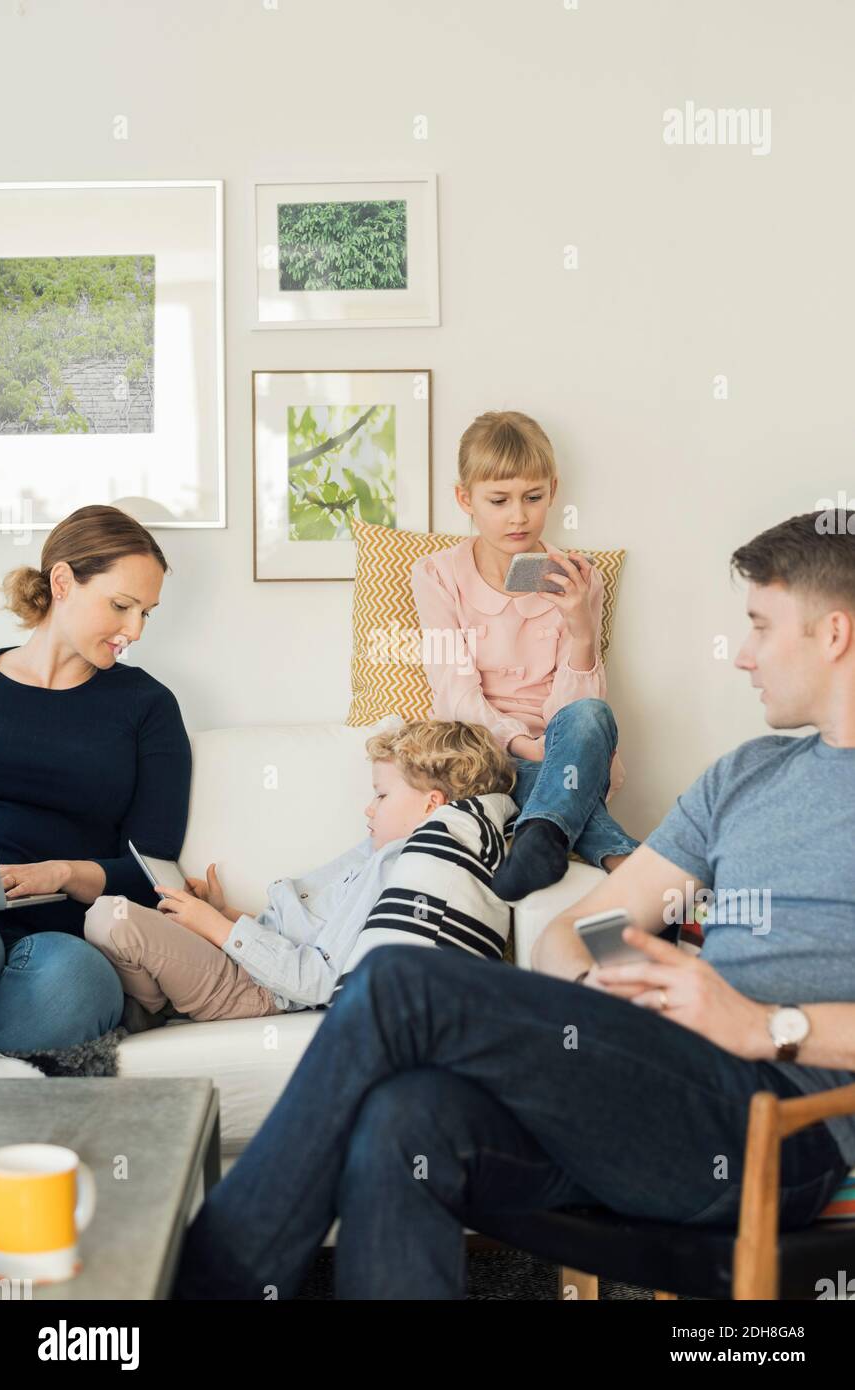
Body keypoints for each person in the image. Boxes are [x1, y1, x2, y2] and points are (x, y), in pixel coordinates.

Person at [171, 509, 855, 1301]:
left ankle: (204, 1290)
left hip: (780, 1128)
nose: (740, 655)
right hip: (654, 1087)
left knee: (399, 982)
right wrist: (624, 978)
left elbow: (758, 1027)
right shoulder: (746, 776)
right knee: (405, 1118)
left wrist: (764, 1025)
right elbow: (579, 927)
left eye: (760, 627)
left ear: (833, 633)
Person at [83, 720, 515, 1023]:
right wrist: (225, 914)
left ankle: (155, 1011)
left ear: (431, 805)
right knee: (124, 918)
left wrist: (215, 927)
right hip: (248, 959)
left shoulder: (399, 868)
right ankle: (153, 1005)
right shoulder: (376, 853)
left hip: (259, 987)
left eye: (381, 795)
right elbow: (303, 937)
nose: (369, 808)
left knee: (109, 918)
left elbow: (316, 980)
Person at [409, 409, 639, 901]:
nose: (518, 516)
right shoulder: (436, 575)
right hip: (480, 746)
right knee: (548, 771)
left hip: (564, 745)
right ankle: (627, 865)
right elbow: (453, 692)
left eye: (533, 498)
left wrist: (580, 626)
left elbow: (579, 712)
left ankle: (542, 837)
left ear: (552, 491)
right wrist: (521, 745)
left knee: (592, 715)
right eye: (499, 500)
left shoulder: (580, 578)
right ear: (465, 498)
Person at [0, 505, 192, 1052]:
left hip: (67, 936)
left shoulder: (147, 706)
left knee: (77, 989)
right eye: (122, 606)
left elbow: (154, 868)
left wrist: (60, 873)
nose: (135, 631)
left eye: (146, 613)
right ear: (62, 583)